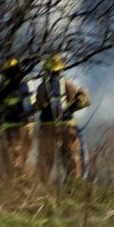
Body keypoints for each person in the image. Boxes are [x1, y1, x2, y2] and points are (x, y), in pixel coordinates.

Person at [34, 54, 89, 185]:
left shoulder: (42, 87)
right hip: (67, 126)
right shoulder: (68, 85)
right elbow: (84, 98)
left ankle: (43, 187)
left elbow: (37, 106)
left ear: (47, 71)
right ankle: (74, 187)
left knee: (45, 158)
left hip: (47, 127)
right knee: (71, 157)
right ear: (60, 69)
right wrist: (72, 108)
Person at [0, 58, 36, 178]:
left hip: (21, 125)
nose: (4, 75)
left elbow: (29, 106)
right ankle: (19, 180)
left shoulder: (23, 83)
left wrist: (20, 116)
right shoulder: (4, 84)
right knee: (12, 156)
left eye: (6, 72)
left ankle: (20, 181)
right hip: (10, 125)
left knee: (17, 155)